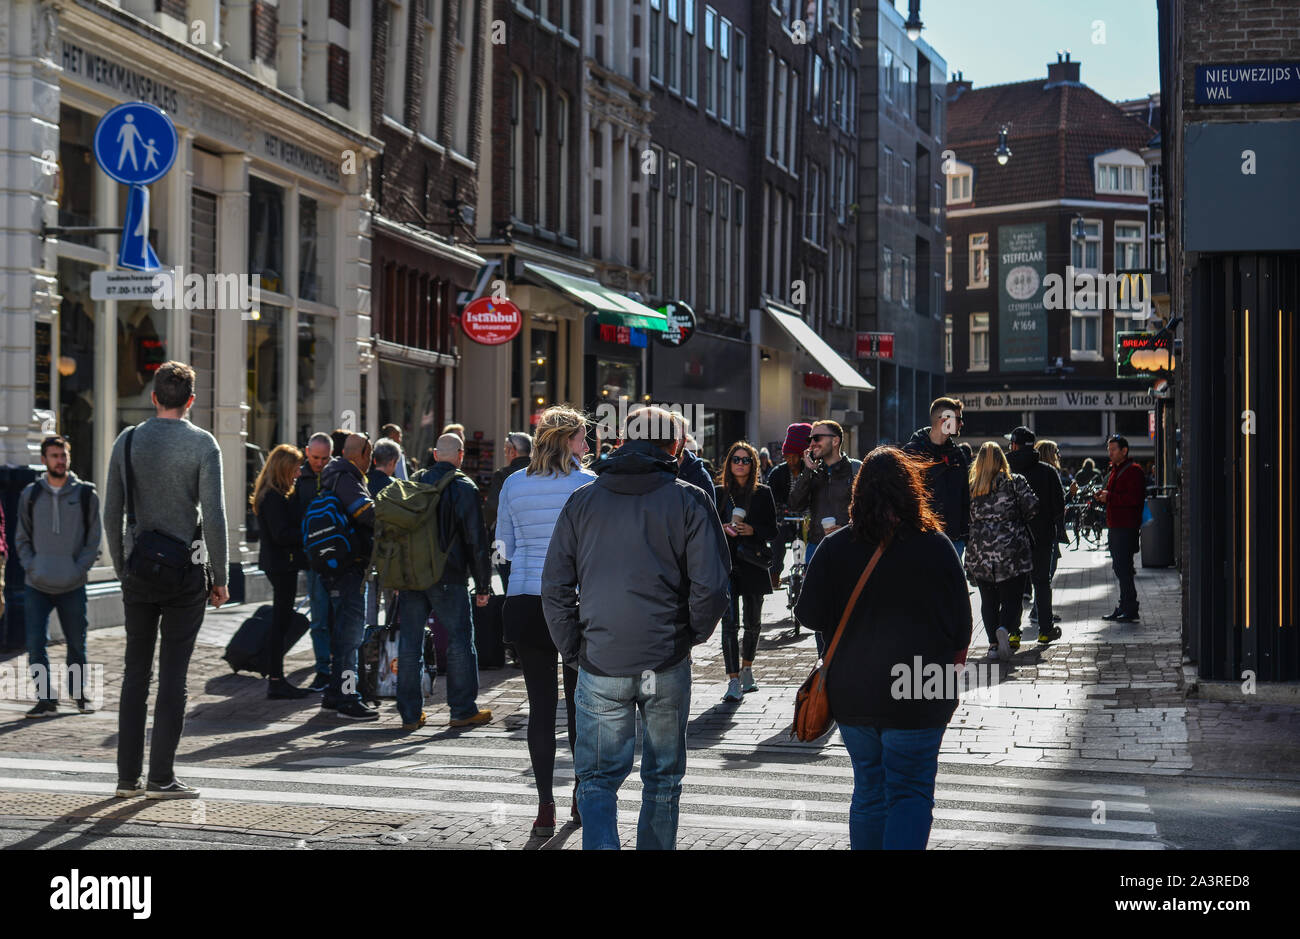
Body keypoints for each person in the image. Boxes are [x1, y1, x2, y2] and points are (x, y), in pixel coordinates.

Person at [542, 405, 731, 850]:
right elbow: (712, 586)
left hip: (602, 657)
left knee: (596, 777)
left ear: (624, 441)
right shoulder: (688, 498)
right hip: (662, 659)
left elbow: (554, 587)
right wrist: (687, 637)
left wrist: (575, 649)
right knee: (663, 777)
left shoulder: (583, 500)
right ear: (676, 447)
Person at [794, 447, 970, 850]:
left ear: (859, 493)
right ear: (911, 491)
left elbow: (809, 616)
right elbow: (962, 624)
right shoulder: (936, 546)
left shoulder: (835, 547)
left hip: (854, 689)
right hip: (922, 687)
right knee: (909, 791)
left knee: (870, 790)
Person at [105, 361, 229, 799]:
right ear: (191, 401)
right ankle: (161, 777)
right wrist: (222, 575)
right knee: (173, 675)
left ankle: (126, 778)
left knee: (134, 672)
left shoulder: (128, 440)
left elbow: (112, 511)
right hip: (185, 574)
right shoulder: (203, 443)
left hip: (138, 570)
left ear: (154, 397)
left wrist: (122, 568)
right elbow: (213, 516)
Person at [496, 408, 595, 837]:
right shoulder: (589, 485)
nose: (588, 448)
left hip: (524, 599)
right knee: (579, 706)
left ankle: (543, 804)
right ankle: (578, 794)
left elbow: (504, 547)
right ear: (566, 441)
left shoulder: (513, 484)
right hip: (574, 601)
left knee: (540, 707)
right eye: (583, 439)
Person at [402, 433, 494, 730]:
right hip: (448, 575)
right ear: (461, 455)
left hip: (411, 575)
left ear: (434, 453)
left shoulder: (414, 481)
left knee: (410, 643)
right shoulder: (463, 486)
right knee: (459, 641)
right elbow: (475, 539)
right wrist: (483, 584)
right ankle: (462, 709)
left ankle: (410, 714)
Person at [16, 435, 102, 717]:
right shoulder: (31, 494)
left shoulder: (86, 494)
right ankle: (45, 699)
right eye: (54, 455)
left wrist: (79, 569)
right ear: (44, 460)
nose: (60, 460)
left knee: (77, 644)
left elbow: (93, 540)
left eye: (63, 455)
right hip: (37, 584)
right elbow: (22, 537)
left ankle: (79, 695)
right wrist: (32, 566)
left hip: (72, 584)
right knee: (35, 644)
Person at [318, 433, 379, 720]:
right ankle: (348, 697)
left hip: (334, 565)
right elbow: (365, 513)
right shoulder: (348, 478)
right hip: (349, 566)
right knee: (350, 635)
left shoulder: (333, 475)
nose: (372, 461)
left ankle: (333, 693)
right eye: (371, 454)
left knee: (342, 630)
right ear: (362, 453)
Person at [789, 420, 861, 653]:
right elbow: (795, 504)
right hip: (817, 548)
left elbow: (869, 509)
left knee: (848, 610)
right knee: (821, 612)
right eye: (810, 439)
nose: (812, 443)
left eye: (817, 438)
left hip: (849, 548)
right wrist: (807, 472)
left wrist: (846, 526)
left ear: (835, 440)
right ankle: (824, 661)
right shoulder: (813, 472)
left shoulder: (855, 470)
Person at [714, 442, 777, 703]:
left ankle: (748, 669)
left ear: (754, 465)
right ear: (729, 463)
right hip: (727, 564)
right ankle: (732, 680)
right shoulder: (718, 493)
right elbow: (707, 528)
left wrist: (752, 530)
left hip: (753, 563)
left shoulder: (762, 493)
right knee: (729, 625)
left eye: (746, 460)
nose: (740, 464)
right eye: (736, 459)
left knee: (752, 623)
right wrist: (724, 528)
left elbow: (773, 530)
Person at [964, 442, 1039, 660]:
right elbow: (1033, 507)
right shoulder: (1015, 482)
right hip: (1011, 550)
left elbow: (964, 516)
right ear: (1002, 460)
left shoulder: (972, 486)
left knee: (988, 599)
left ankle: (993, 645)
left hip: (980, 551)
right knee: (1012, 597)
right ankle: (1005, 627)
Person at [251, 444, 311, 699]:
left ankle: (276, 675)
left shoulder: (276, 494)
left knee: (282, 619)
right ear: (284, 468)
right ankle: (275, 678)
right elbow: (281, 534)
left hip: (280, 563)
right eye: (295, 468)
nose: (298, 474)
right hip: (280, 564)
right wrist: (308, 535)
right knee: (280, 621)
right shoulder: (274, 497)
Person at [1005, 427, 1065, 643]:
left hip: (1012, 538)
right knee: (1041, 582)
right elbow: (1059, 506)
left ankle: (1012, 632)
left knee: (1014, 585)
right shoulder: (1048, 471)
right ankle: (1045, 629)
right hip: (1042, 537)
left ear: (1014, 445)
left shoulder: (1006, 471)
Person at [903, 397, 971, 558]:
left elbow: (965, 498)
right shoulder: (912, 453)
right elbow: (903, 496)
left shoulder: (957, 455)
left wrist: (964, 535)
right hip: (921, 539)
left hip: (954, 541)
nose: (962, 424)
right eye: (958, 419)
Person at [295, 432, 334, 693]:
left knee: (340, 617)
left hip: (338, 557)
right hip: (313, 559)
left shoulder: (338, 474)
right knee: (319, 618)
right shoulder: (299, 478)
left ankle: (341, 670)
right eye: (315, 457)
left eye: (324, 458)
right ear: (307, 452)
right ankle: (323, 669)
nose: (319, 462)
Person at [1099, 435, 1145, 623]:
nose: (1110, 453)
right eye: (1109, 450)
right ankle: (1124, 605)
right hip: (1116, 525)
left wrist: (1109, 497)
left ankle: (1130, 608)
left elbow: (1134, 499)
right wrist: (1103, 497)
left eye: (1113, 450)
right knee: (1120, 568)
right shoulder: (1115, 470)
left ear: (1124, 451)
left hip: (1126, 527)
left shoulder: (1133, 471)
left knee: (1124, 568)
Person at [484, 431, 532, 594]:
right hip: (536, 542)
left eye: (506, 451)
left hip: (508, 542)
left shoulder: (504, 475)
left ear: (513, 451)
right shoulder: (541, 472)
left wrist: (487, 527)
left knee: (510, 587)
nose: (505, 454)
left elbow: (492, 508)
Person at [766, 423, 812, 590]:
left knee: (811, 545)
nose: (790, 460)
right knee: (777, 543)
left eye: (795, 456)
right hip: (784, 519)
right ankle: (774, 575)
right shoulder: (777, 473)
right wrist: (780, 512)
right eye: (787, 456)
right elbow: (770, 498)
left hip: (807, 518)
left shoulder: (813, 471)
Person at [669, 415, 714, 497]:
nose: (675, 441)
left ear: (685, 440)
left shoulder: (701, 476)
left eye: (679, 437)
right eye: (671, 435)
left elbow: (708, 509)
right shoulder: (651, 468)